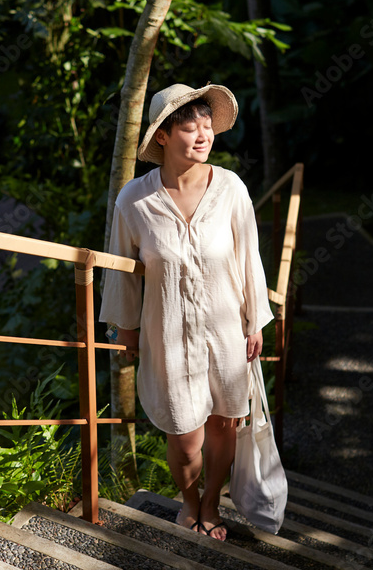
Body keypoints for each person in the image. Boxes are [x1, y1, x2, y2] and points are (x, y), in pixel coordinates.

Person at [99, 82, 273, 542]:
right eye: (189, 127)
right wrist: (127, 333)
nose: (203, 135)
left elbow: (248, 256)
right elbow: (122, 273)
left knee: (224, 424)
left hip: (227, 332)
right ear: (162, 136)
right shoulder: (134, 201)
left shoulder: (231, 188)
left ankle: (212, 503)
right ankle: (189, 500)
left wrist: (255, 319)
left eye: (207, 126)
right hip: (167, 333)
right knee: (184, 433)